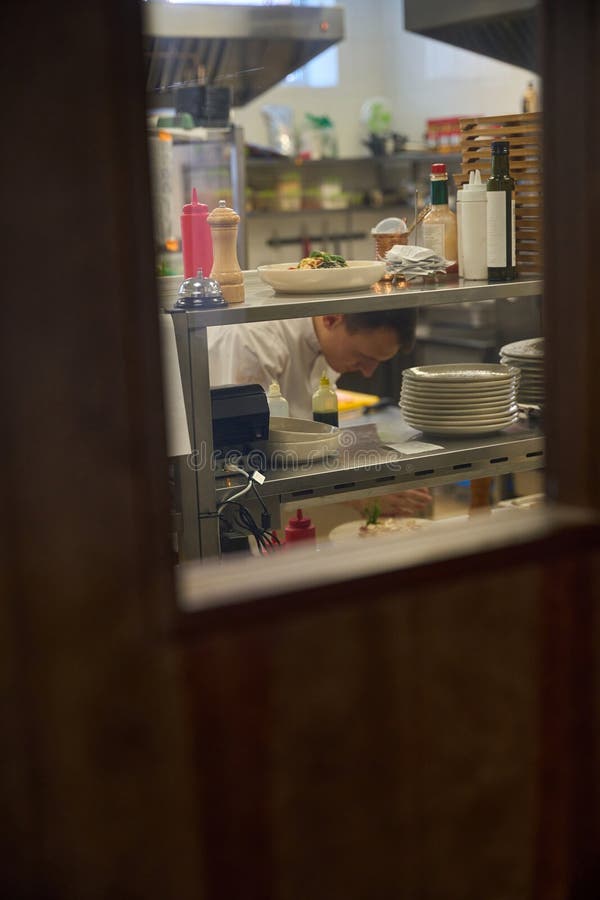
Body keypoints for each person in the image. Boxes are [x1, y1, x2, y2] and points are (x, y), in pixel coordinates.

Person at [208, 309, 431, 516]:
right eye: (363, 357)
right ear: (331, 318)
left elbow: (316, 438)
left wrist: (369, 478)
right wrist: (357, 496)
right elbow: (246, 464)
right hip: (219, 497)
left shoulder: (326, 343)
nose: (368, 372)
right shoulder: (253, 341)